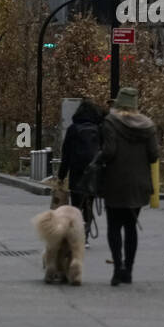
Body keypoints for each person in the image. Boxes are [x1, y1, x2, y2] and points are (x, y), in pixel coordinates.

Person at [100, 86, 159, 286]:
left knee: (114, 227)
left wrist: (97, 160)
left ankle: (117, 269)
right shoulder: (147, 126)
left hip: (115, 181)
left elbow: (109, 151)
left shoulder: (110, 122)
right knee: (131, 226)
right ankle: (129, 270)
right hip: (139, 183)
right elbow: (153, 155)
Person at [58, 99, 103, 244]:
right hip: (93, 172)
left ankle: (76, 234)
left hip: (76, 171)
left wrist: (61, 175)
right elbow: (103, 152)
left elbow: (66, 154)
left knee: (76, 204)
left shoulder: (73, 129)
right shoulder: (98, 129)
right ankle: (86, 236)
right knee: (89, 203)